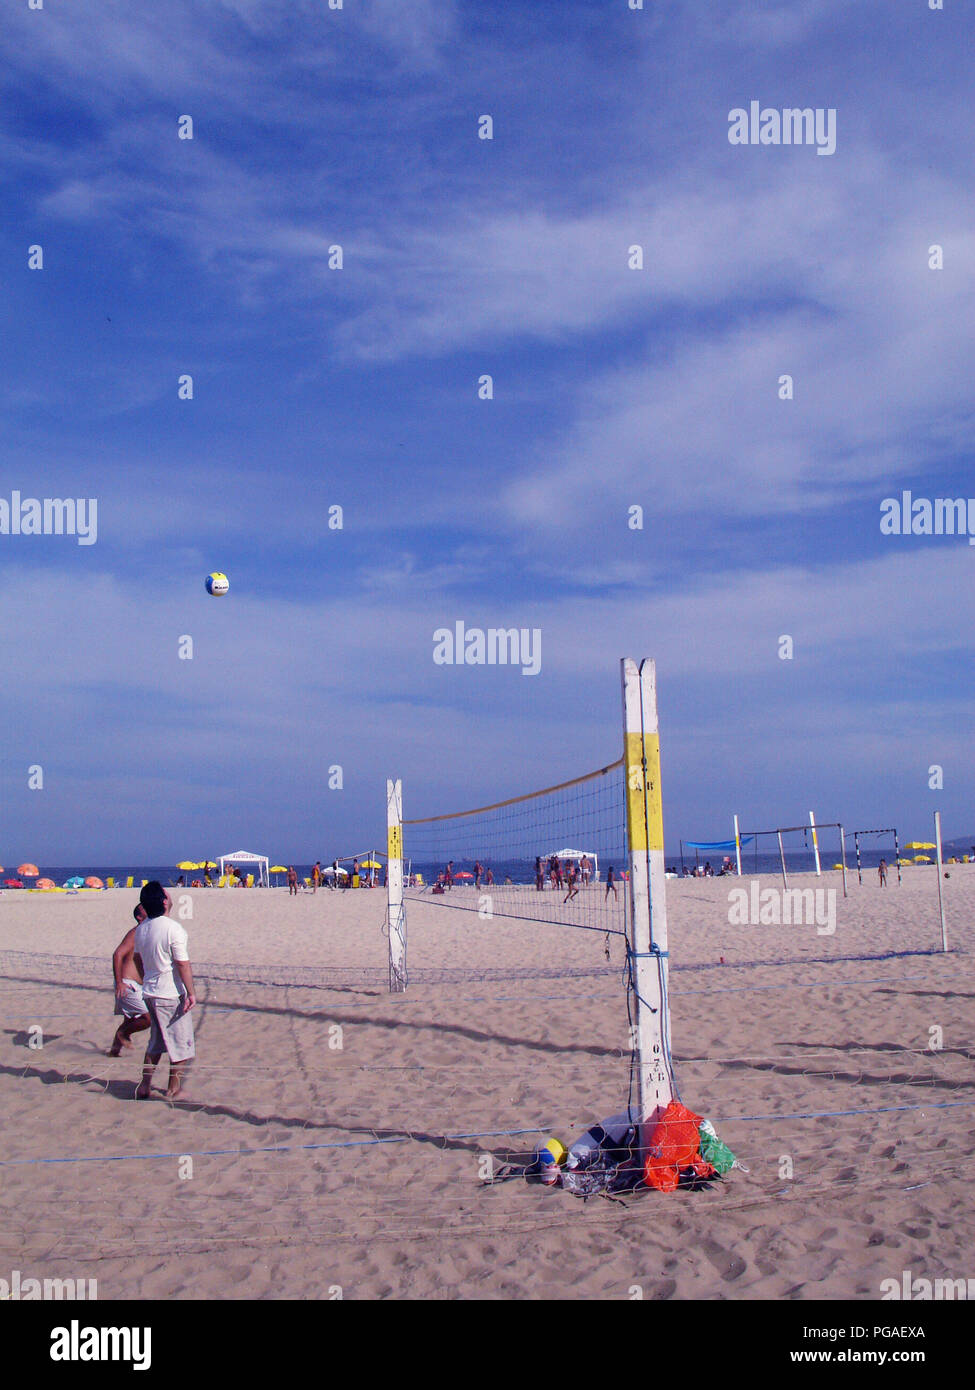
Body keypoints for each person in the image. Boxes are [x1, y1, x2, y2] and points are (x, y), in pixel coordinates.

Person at [133, 882, 196, 1101]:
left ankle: (144, 1085)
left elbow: (137, 958)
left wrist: (146, 978)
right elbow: (182, 964)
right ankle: (173, 1089)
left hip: (150, 992)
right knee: (181, 1045)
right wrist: (191, 993)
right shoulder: (173, 928)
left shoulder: (142, 929)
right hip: (169, 994)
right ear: (163, 901)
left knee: (156, 1042)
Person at [108, 903, 151, 1056]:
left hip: (135, 984)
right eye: (146, 908)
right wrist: (119, 982)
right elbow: (117, 954)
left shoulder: (146, 931)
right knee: (148, 1018)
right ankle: (123, 1034)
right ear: (139, 917)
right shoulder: (136, 931)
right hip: (127, 983)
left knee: (129, 1019)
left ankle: (114, 1052)